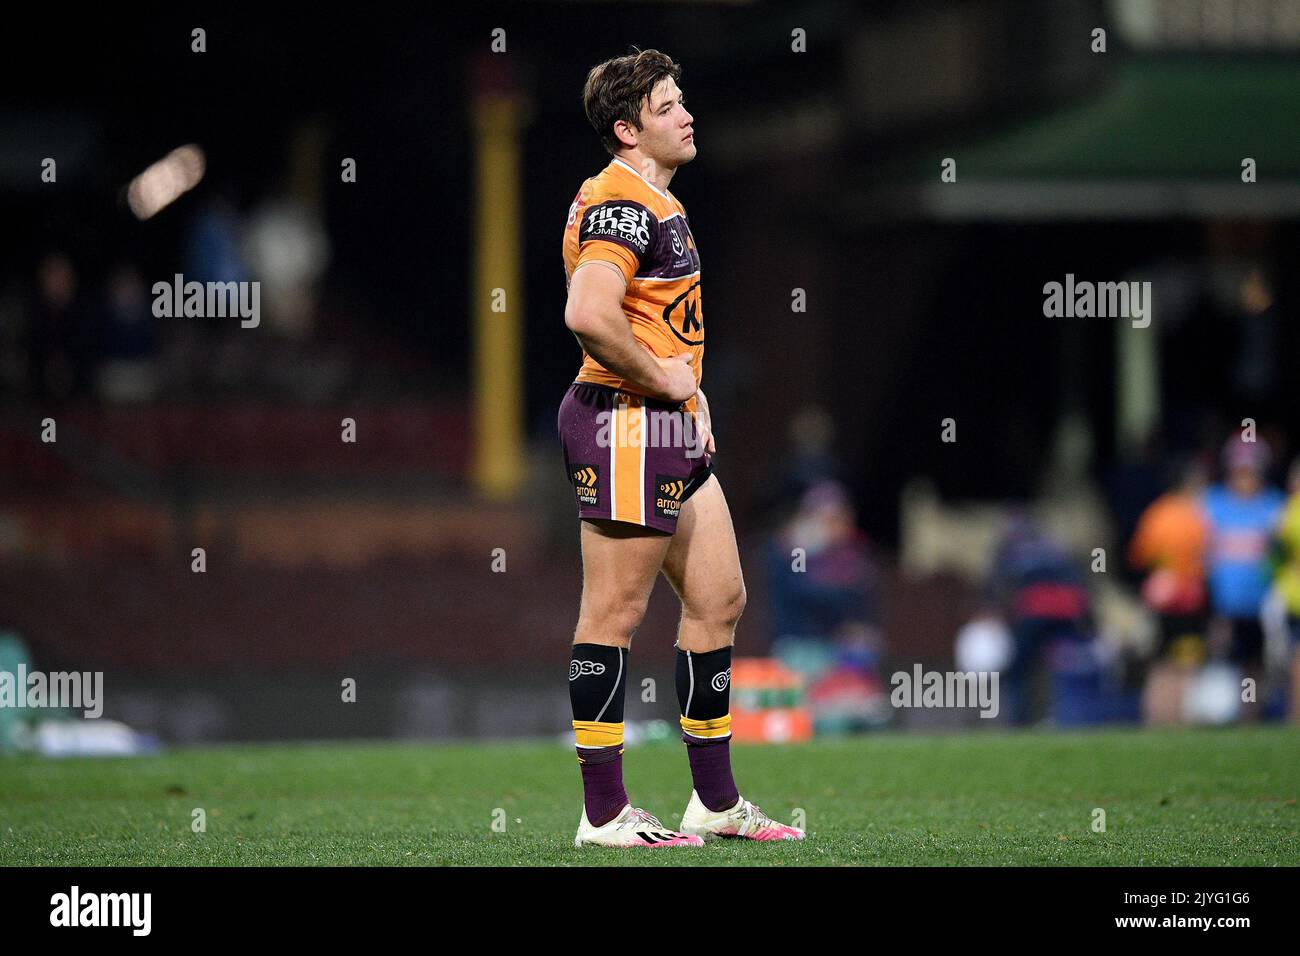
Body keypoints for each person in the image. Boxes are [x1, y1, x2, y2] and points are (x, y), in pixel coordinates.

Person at [558, 48, 803, 848]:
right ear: (627, 130)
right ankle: (602, 814)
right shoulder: (623, 206)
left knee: (720, 598)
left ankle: (717, 803)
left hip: (661, 419)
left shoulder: (656, 199)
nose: (686, 114)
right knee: (615, 614)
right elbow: (589, 314)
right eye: (666, 107)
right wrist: (667, 383)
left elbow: (654, 323)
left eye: (682, 100)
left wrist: (686, 392)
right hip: (625, 419)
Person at [1202, 436, 1285, 717]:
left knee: (1255, 665)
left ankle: (1251, 716)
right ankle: (1216, 717)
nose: (1245, 479)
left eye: (1250, 472)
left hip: (1261, 604)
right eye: (1239, 472)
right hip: (1220, 604)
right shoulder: (1212, 503)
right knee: (1218, 660)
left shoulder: (1275, 506)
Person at [1127, 460, 1210, 724]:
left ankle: (1156, 718)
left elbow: (1139, 557)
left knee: (1160, 662)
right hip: (1188, 597)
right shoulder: (1198, 514)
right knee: (1186, 660)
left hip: (1160, 594)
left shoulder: (1156, 513)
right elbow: (1209, 556)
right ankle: (1181, 719)